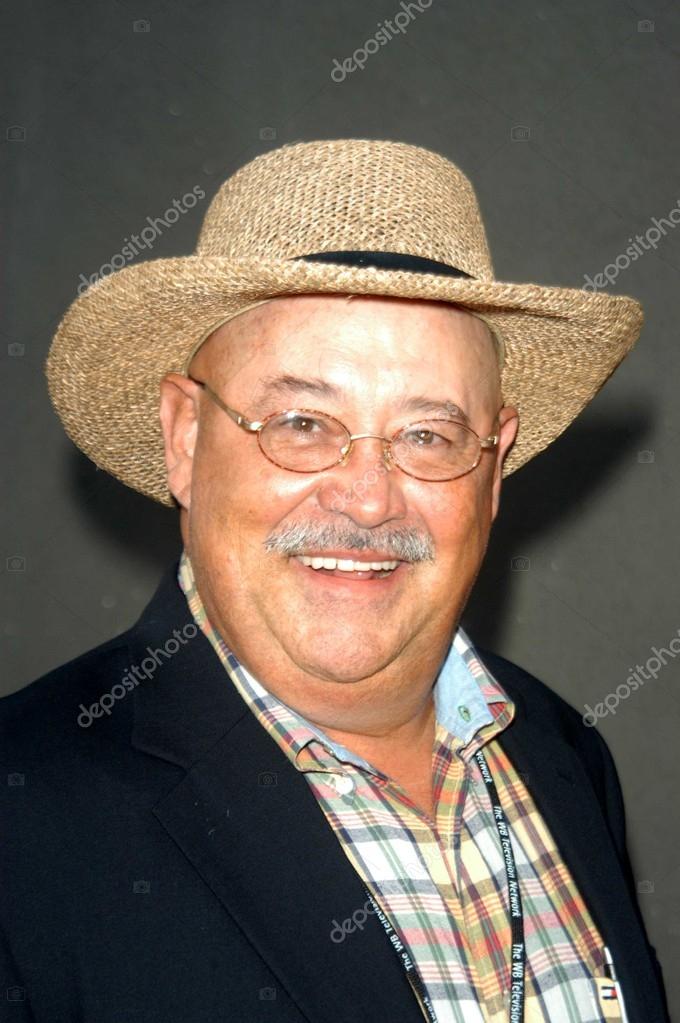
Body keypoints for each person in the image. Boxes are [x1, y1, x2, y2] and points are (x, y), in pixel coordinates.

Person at [1, 139, 669, 1023]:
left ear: (494, 467)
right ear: (186, 438)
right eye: (303, 422)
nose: (367, 497)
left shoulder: (563, 752)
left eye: (427, 435)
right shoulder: (23, 816)